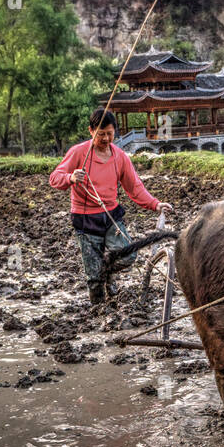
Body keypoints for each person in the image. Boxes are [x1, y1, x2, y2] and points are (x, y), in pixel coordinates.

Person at [49, 108, 171, 304]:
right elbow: (54, 178)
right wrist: (70, 177)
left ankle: (106, 271)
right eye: (101, 134)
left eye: (110, 134)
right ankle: (98, 311)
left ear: (115, 131)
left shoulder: (119, 156)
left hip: (111, 216)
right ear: (91, 131)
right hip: (85, 218)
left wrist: (155, 204)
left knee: (128, 255)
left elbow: (135, 186)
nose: (106, 138)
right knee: (94, 279)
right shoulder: (79, 153)